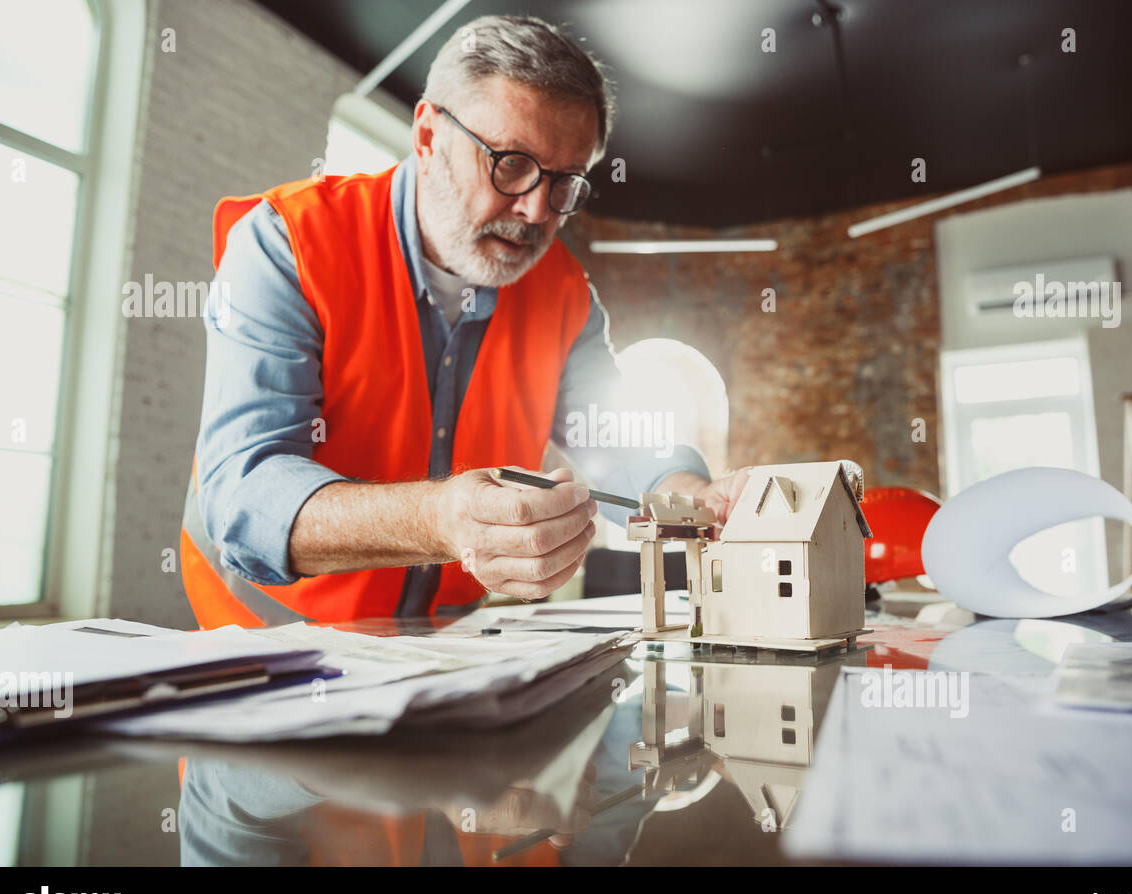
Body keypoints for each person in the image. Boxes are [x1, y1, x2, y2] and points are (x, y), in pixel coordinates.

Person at [180, 14, 750, 628]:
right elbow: (244, 495)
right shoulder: (287, 243)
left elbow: (618, 439)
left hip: (443, 646)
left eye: (565, 182)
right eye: (511, 163)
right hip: (265, 645)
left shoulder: (563, 294)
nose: (536, 210)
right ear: (428, 136)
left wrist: (693, 495)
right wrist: (439, 518)